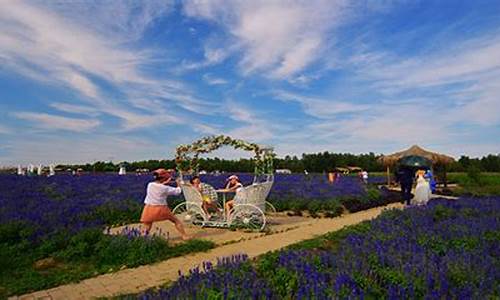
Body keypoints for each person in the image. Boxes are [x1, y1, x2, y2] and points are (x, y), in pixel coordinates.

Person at [140, 168, 190, 240]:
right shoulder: (165, 188)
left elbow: (158, 186)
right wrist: (178, 184)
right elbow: (178, 192)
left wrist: (165, 182)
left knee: (147, 224)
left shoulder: (150, 185)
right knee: (176, 221)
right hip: (161, 208)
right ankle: (184, 236)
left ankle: (143, 239)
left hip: (148, 208)